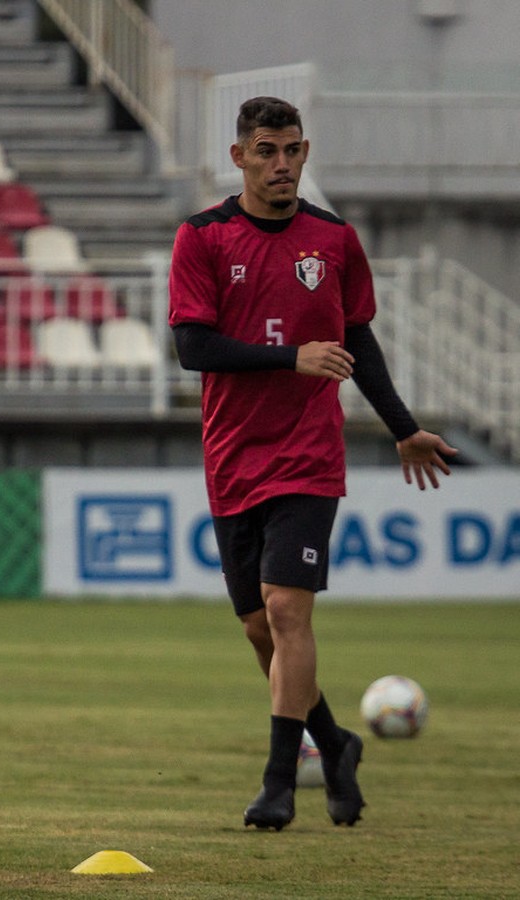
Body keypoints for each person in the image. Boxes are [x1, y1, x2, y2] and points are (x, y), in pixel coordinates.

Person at [167, 96, 457, 830]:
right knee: (259, 629)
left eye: (293, 150)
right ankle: (334, 741)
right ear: (239, 158)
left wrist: (404, 428)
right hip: (232, 458)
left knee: (287, 610)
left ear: (305, 153)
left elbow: (358, 339)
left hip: (308, 456)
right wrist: (289, 357)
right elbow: (193, 348)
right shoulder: (202, 237)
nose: (282, 164)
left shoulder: (333, 240)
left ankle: (278, 784)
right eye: (267, 151)